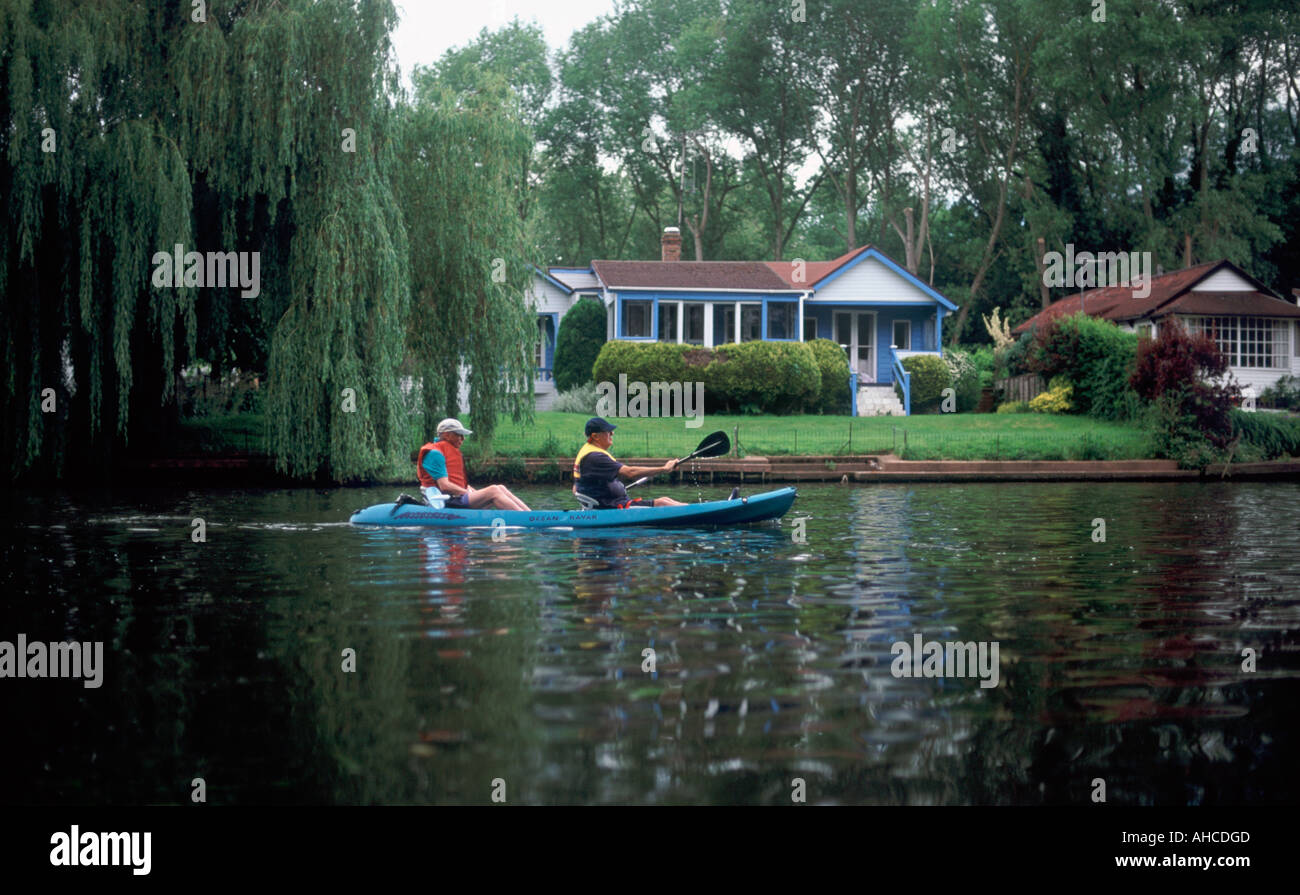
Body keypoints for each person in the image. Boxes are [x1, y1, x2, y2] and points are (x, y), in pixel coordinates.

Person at [414, 418, 530, 511]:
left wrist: (473, 492)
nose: (463, 439)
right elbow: (445, 486)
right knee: (494, 490)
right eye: (459, 434)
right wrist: (468, 493)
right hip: (444, 500)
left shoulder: (446, 450)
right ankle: (528, 519)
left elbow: (459, 485)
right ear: (447, 435)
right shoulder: (435, 454)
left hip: (455, 498)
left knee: (500, 488)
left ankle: (530, 515)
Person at [573, 417, 684, 509]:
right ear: (595, 436)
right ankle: (698, 512)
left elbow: (575, 488)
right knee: (662, 503)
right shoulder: (595, 457)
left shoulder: (587, 452)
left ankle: (696, 508)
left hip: (610, 503)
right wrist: (664, 468)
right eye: (607, 431)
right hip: (613, 508)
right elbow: (630, 472)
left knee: (665, 500)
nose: (612, 433)